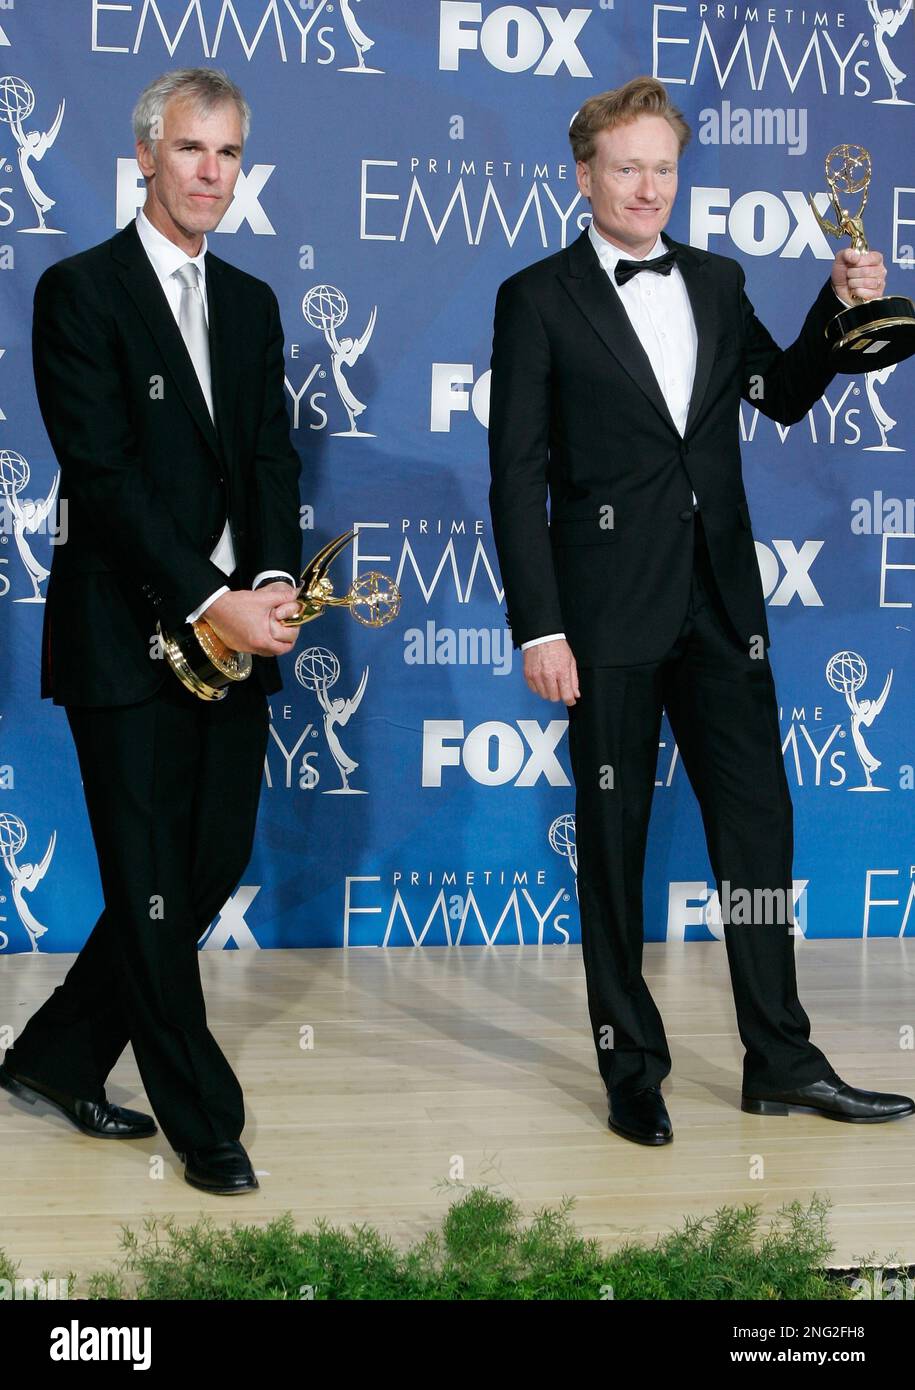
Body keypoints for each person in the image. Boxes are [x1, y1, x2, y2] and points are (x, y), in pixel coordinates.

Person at [487, 76, 914, 1146]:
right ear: (584, 175)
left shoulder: (718, 282)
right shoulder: (535, 297)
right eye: (626, 167)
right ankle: (632, 1065)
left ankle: (780, 1057)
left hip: (723, 607)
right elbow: (515, 475)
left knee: (758, 839)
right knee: (615, 838)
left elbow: (780, 392)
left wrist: (838, 306)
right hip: (604, 616)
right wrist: (540, 625)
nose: (647, 187)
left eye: (663, 167)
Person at [0, 67, 304, 1193]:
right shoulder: (80, 292)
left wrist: (268, 584)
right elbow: (108, 478)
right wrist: (206, 596)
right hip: (125, 636)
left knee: (207, 859)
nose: (211, 173)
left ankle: (55, 1055)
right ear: (145, 155)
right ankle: (203, 1118)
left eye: (228, 154)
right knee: (149, 879)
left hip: (238, 636)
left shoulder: (259, 305)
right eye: (191, 150)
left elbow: (271, 459)